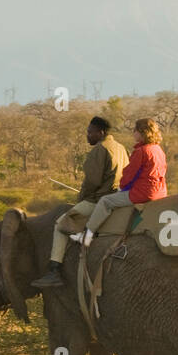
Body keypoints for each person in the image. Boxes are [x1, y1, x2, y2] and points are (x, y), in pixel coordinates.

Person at [31, 116, 129, 288]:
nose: (87, 136)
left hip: (97, 200)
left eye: (90, 132)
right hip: (118, 197)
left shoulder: (100, 150)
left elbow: (92, 182)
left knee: (61, 225)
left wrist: (82, 199)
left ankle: (54, 271)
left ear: (101, 132)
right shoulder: (121, 148)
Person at [81, 117, 167, 245]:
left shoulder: (141, 151)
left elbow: (129, 175)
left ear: (142, 132)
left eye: (135, 130)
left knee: (106, 201)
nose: (133, 133)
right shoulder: (158, 149)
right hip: (160, 192)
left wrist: (121, 188)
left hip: (144, 193)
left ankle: (87, 235)